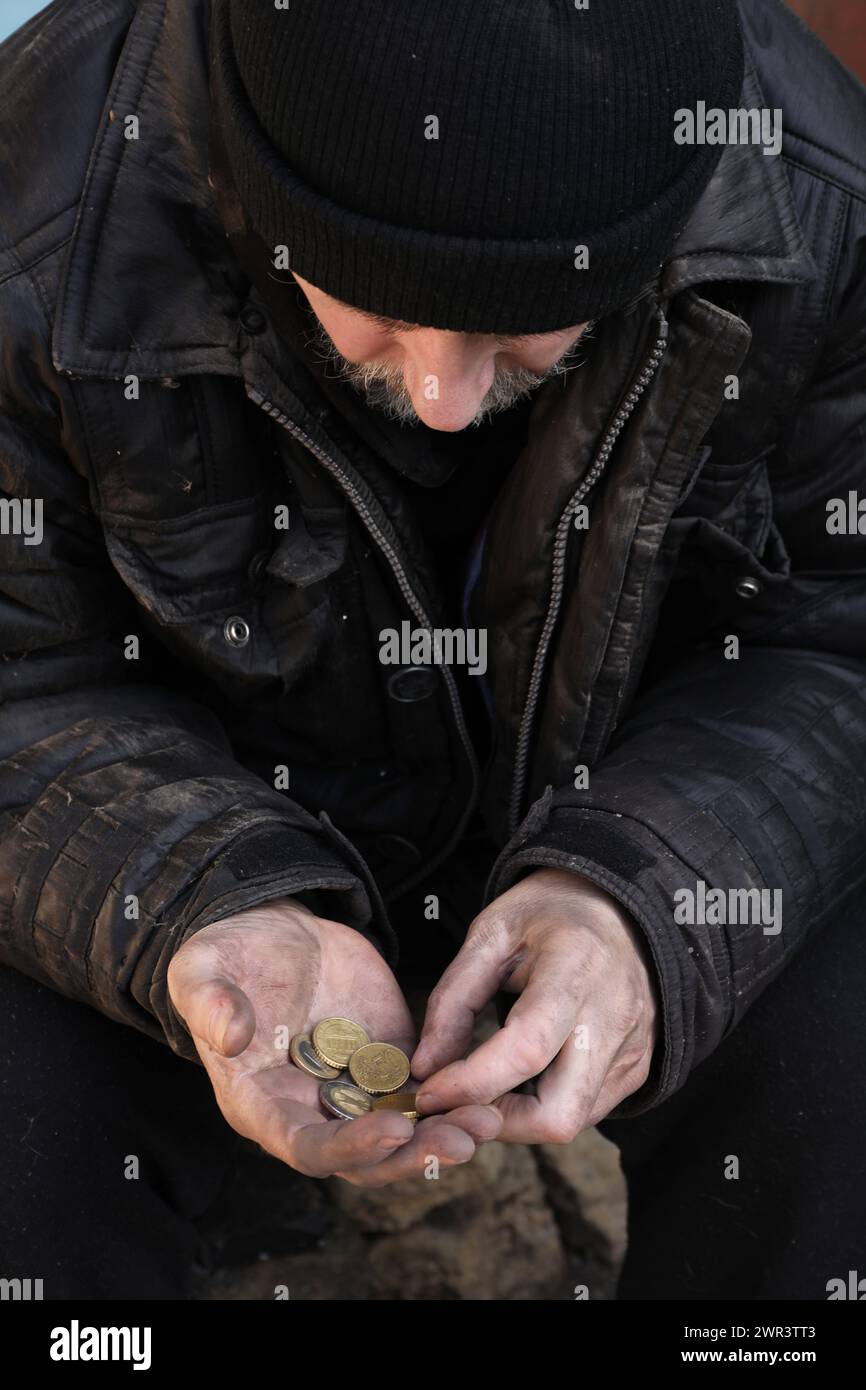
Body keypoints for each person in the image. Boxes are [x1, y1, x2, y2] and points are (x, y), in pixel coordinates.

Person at [0, 0, 864, 1301]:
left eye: (523, 325)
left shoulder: (813, 192)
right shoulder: (41, 196)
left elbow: (838, 632)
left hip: (632, 810)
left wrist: (637, 899)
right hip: (196, 819)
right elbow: (19, 667)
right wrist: (193, 895)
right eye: (374, 307)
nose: (440, 394)